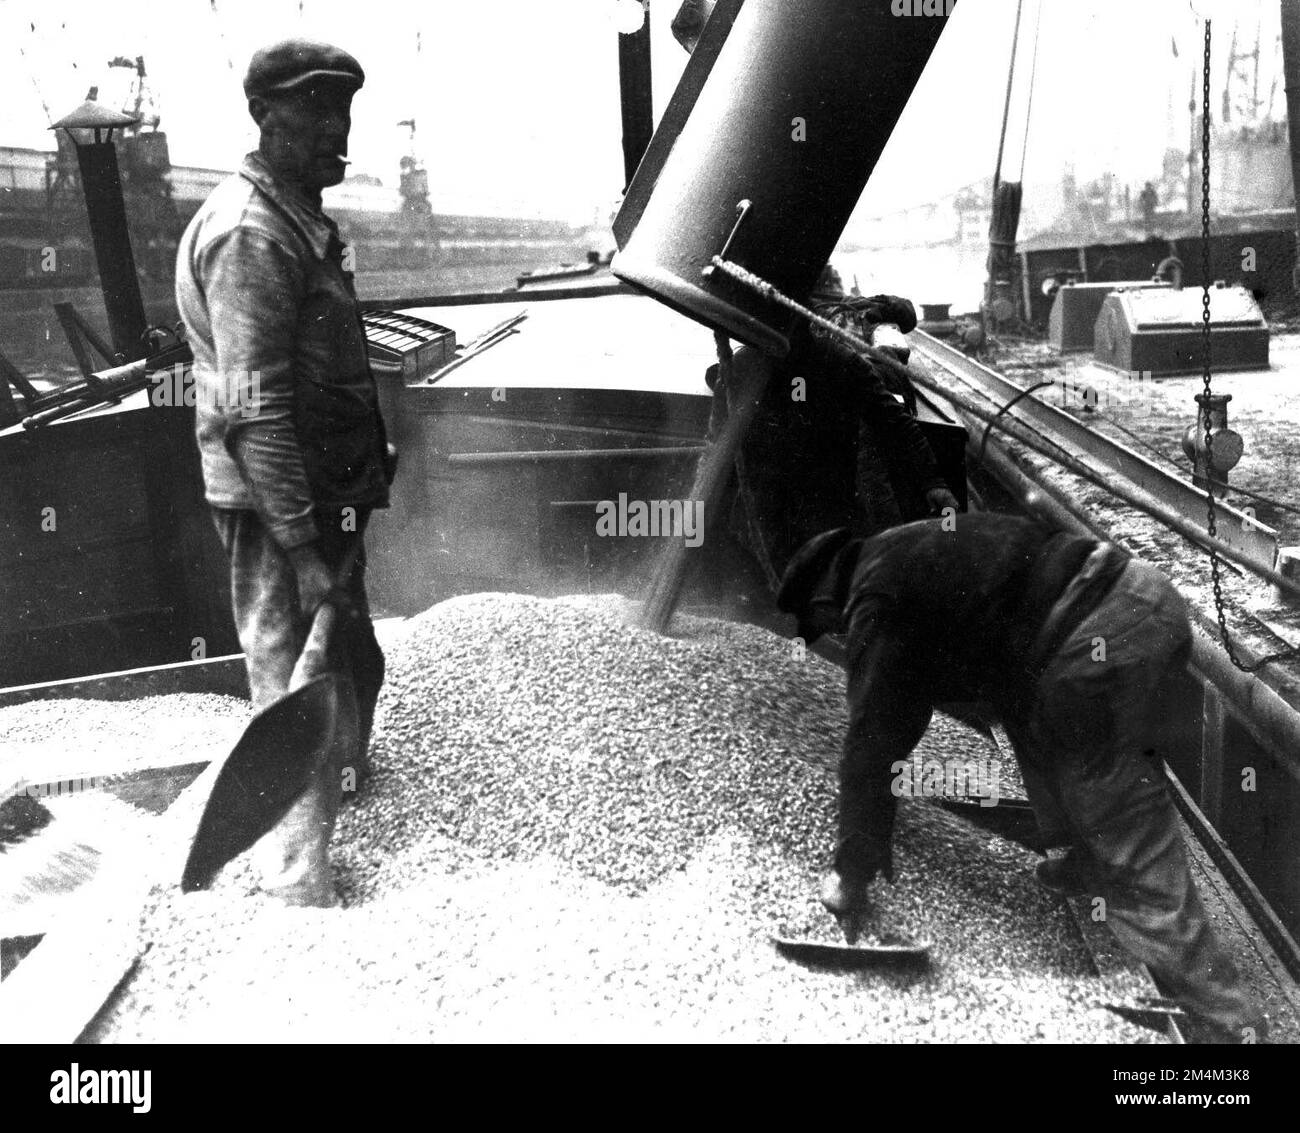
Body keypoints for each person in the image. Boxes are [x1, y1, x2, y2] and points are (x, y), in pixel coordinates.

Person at [776, 513, 1266, 1043]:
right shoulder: (899, 545)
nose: (837, 635)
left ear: (824, 602)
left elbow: (873, 735)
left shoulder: (875, 602)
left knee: (1122, 820)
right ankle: (1086, 865)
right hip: (1144, 598)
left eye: (826, 627)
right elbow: (908, 703)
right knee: (1043, 722)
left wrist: (852, 864)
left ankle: (1230, 1022)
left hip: (1095, 641)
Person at [176, 38, 397, 906]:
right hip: (283, 512)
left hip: (326, 500)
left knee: (354, 660)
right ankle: (297, 885)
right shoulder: (252, 235)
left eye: (343, 113)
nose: (337, 132)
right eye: (316, 115)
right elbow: (253, 410)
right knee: (292, 688)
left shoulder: (296, 216)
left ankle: (343, 804)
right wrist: (305, 551)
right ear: (267, 118)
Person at [707, 281, 959, 595]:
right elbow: (717, 445)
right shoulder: (741, 370)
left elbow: (892, 422)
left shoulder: (838, 362)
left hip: (824, 512)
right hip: (765, 515)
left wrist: (933, 482)